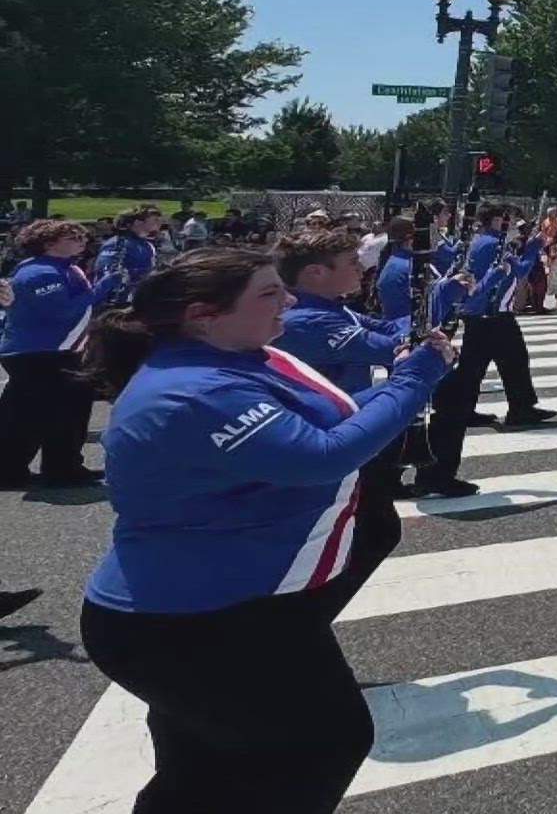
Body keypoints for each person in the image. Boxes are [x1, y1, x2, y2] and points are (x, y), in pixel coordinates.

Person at [77, 247, 452, 813]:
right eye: (270, 294)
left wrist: (405, 377)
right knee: (316, 747)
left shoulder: (242, 356)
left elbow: (339, 414)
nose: (291, 301)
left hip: (232, 606)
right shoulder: (198, 390)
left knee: (207, 768)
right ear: (203, 314)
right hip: (191, 620)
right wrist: (415, 380)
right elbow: (321, 455)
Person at [269, 229, 430, 605]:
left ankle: (303, 620)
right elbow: (390, 346)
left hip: (346, 427)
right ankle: (301, 620)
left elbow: (392, 328)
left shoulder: (332, 308)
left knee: (374, 529)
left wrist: (439, 297)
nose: (362, 269)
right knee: (368, 531)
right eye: (351, 264)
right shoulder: (310, 320)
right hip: (331, 431)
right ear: (315, 273)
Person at [418, 208, 554, 497]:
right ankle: (520, 407)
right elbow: (517, 271)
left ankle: (481, 407)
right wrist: (534, 247)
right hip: (492, 311)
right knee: (512, 362)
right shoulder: (494, 244)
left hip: (477, 312)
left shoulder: (475, 242)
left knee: (475, 365)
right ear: (497, 220)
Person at [0, 220, 124, 487]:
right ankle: (14, 470)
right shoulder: (40, 273)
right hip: (39, 354)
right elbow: (62, 312)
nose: (82, 241)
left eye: (82, 236)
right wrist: (100, 289)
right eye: (72, 237)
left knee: (69, 412)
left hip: (58, 352)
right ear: (48, 243)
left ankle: (63, 466)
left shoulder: (62, 268)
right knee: (30, 415)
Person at [93, 206, 163, 304]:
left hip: (140, 298)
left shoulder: (147, 245)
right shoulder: (118, 243)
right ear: (137, 222)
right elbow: (108, 273)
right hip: (118, 302)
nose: (159, 223)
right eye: (155, 220)